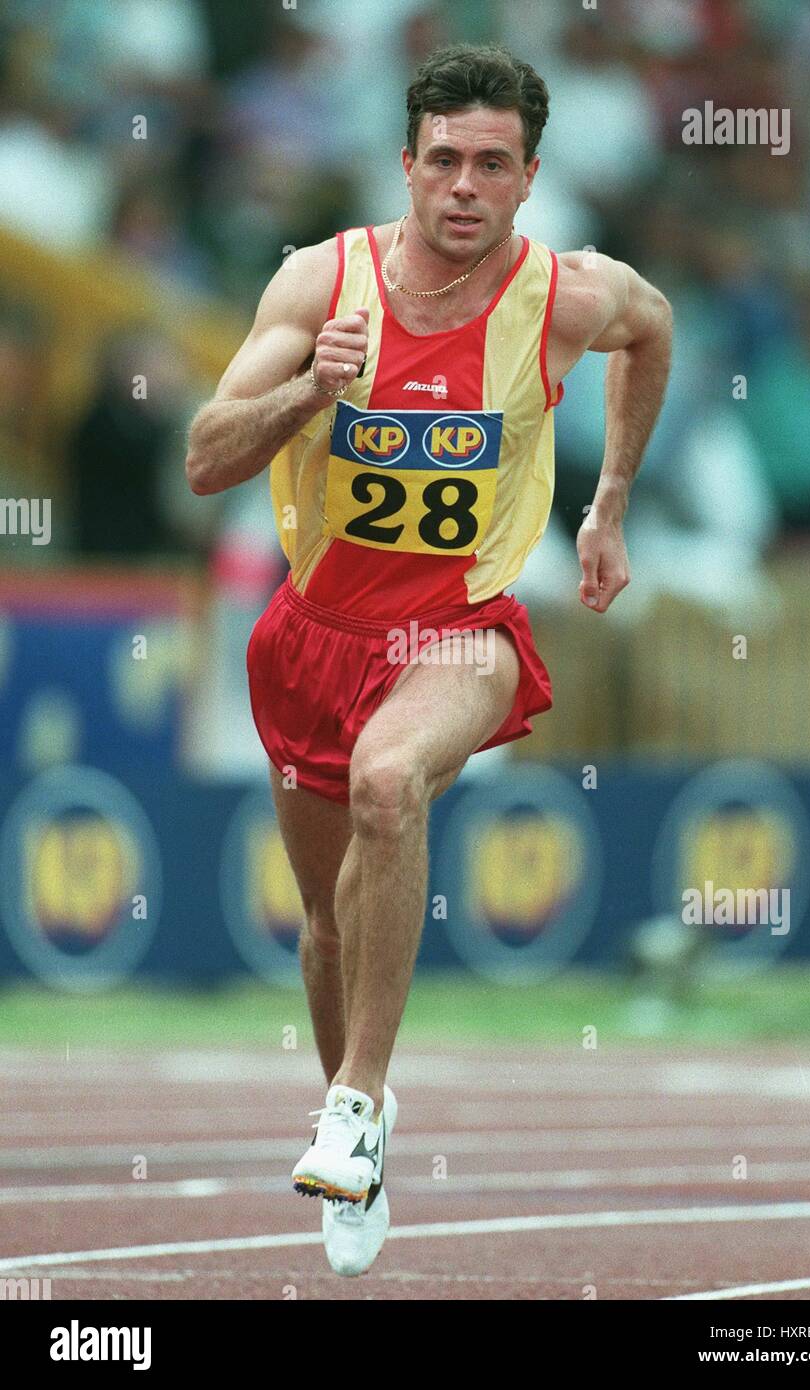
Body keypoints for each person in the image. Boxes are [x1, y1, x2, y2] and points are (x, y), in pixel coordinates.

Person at [185, 43, 672, 1278]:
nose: (464, 185)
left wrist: (609, 499)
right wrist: (308, 393)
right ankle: (369, 1115)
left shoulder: (562, 296)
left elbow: (652, 331)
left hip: (460, 631)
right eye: (443, 160)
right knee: (325, 922)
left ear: (528, 180)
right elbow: (204, 458)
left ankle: (350, 1106)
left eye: (491, 165)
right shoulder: (319, 281)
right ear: (406, 164)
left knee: (389, 783)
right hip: (315, 633)